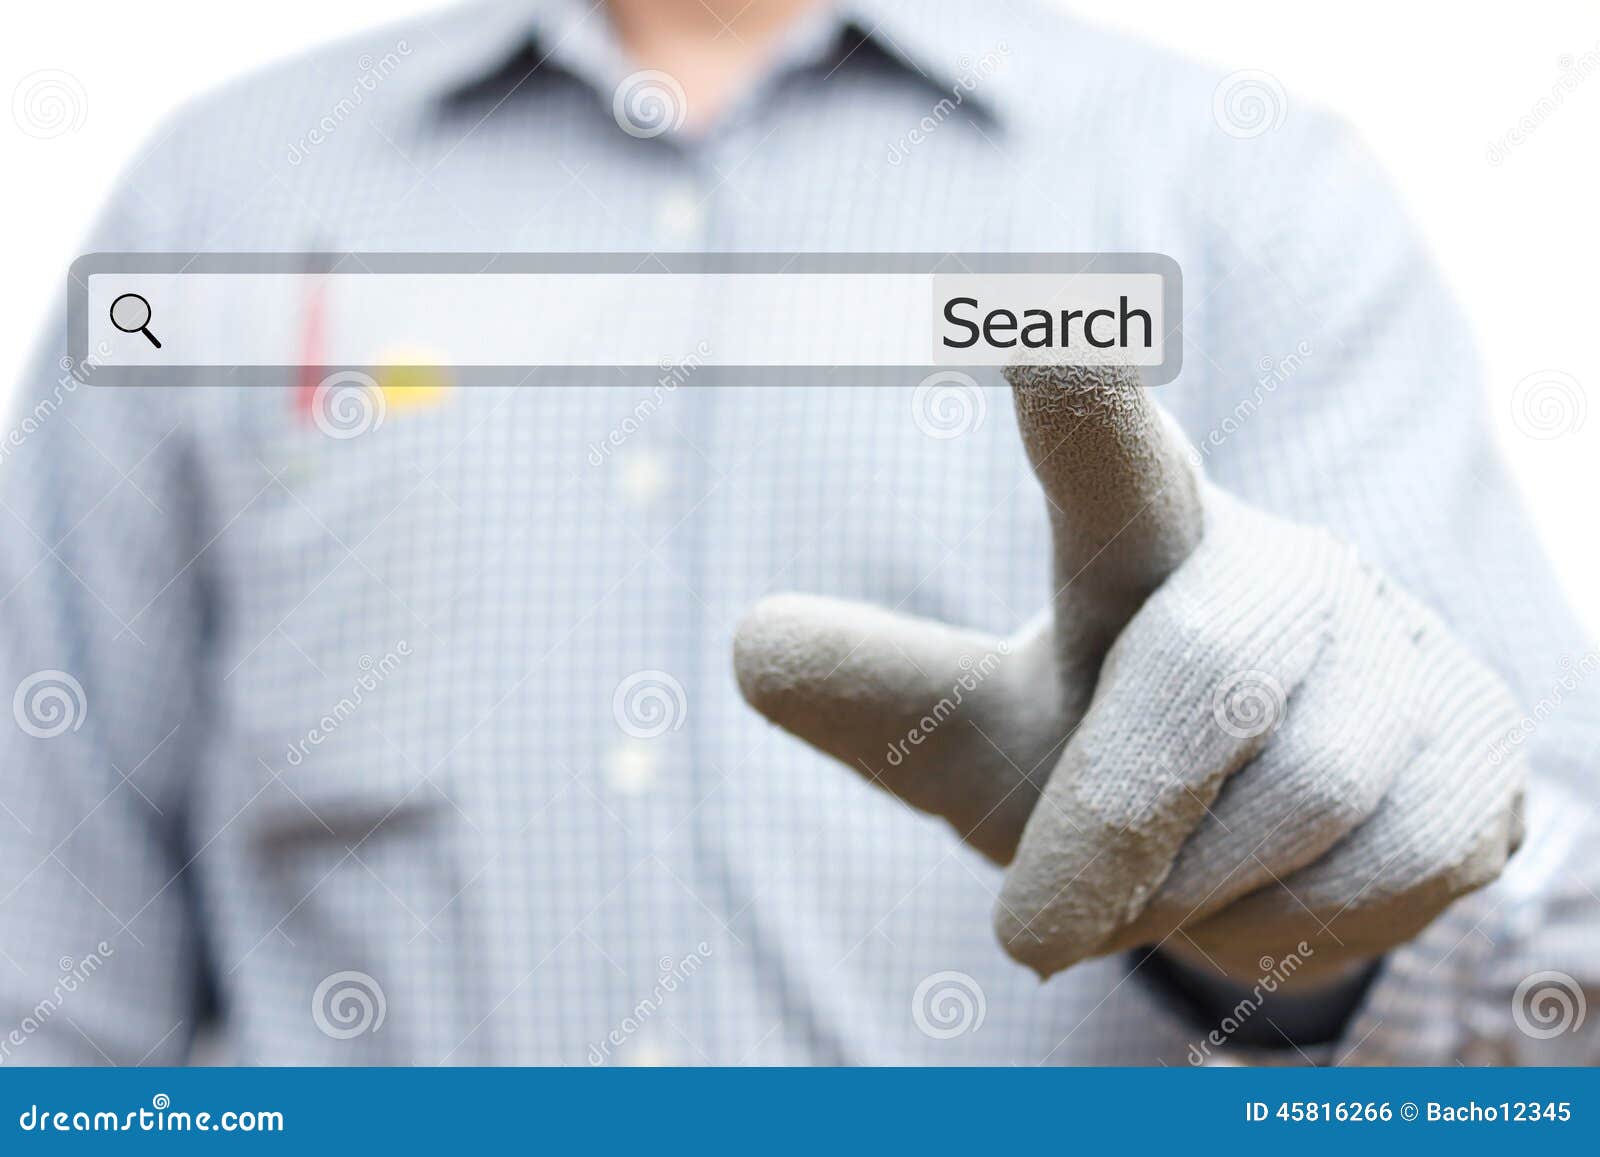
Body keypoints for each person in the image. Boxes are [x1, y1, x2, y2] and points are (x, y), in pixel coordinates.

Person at [1, 0, 1595, 1066]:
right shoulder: (218, 207)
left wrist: (1306, 927)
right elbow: (44, 971)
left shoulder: (1244, 190)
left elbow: (1544, 972)